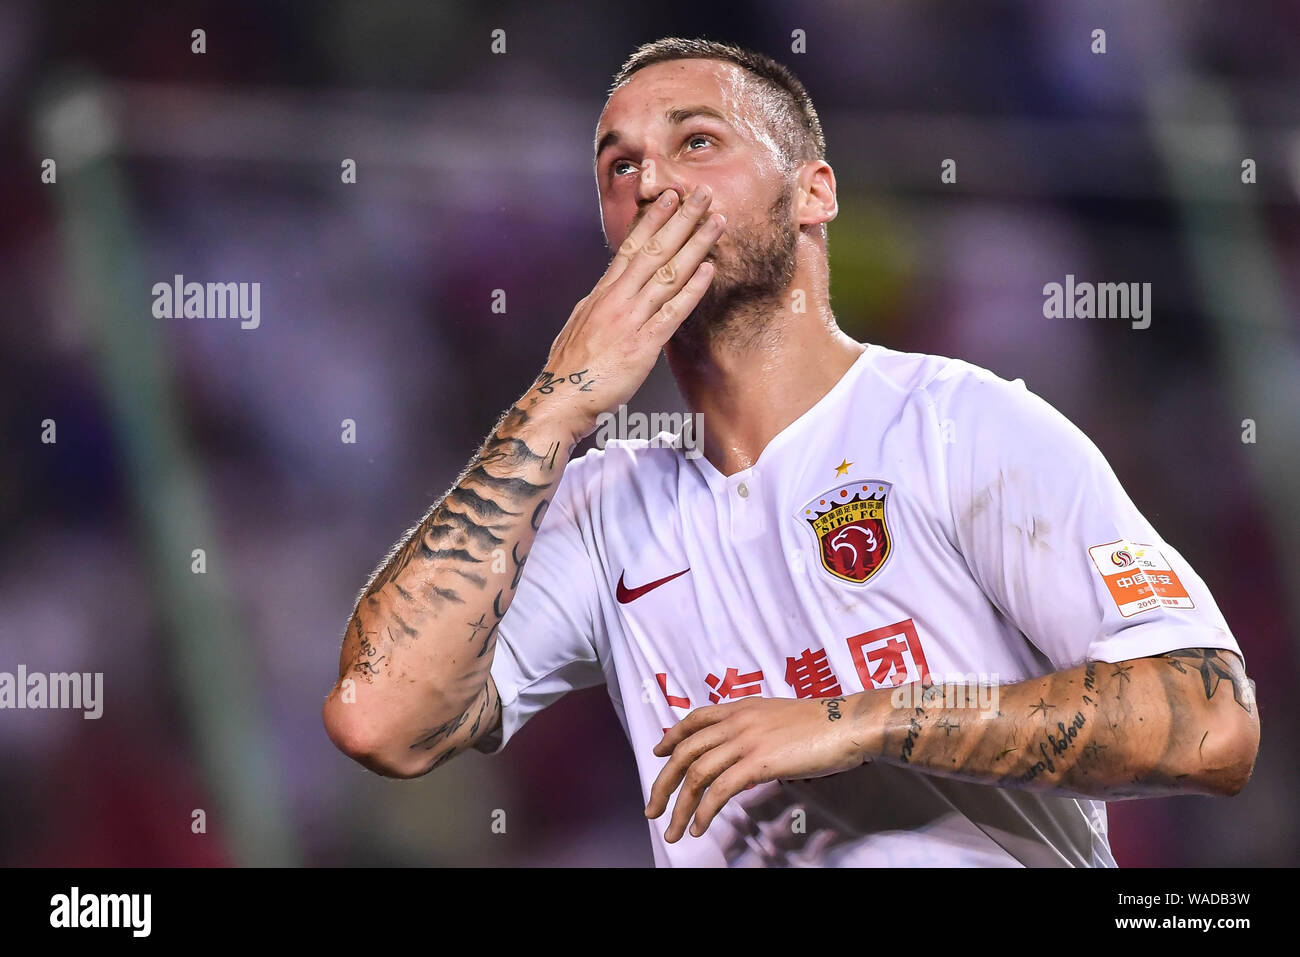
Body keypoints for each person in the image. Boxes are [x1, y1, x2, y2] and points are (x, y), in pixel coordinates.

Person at [322, 38, 1260, 866]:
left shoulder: (955, 423)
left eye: (697, 142)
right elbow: (381, 717)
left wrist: (858, 720)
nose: (650, 185)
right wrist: (558, 398)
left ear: (814, 191)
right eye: (618, 168)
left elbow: (1212, 721)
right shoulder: (605, 509)